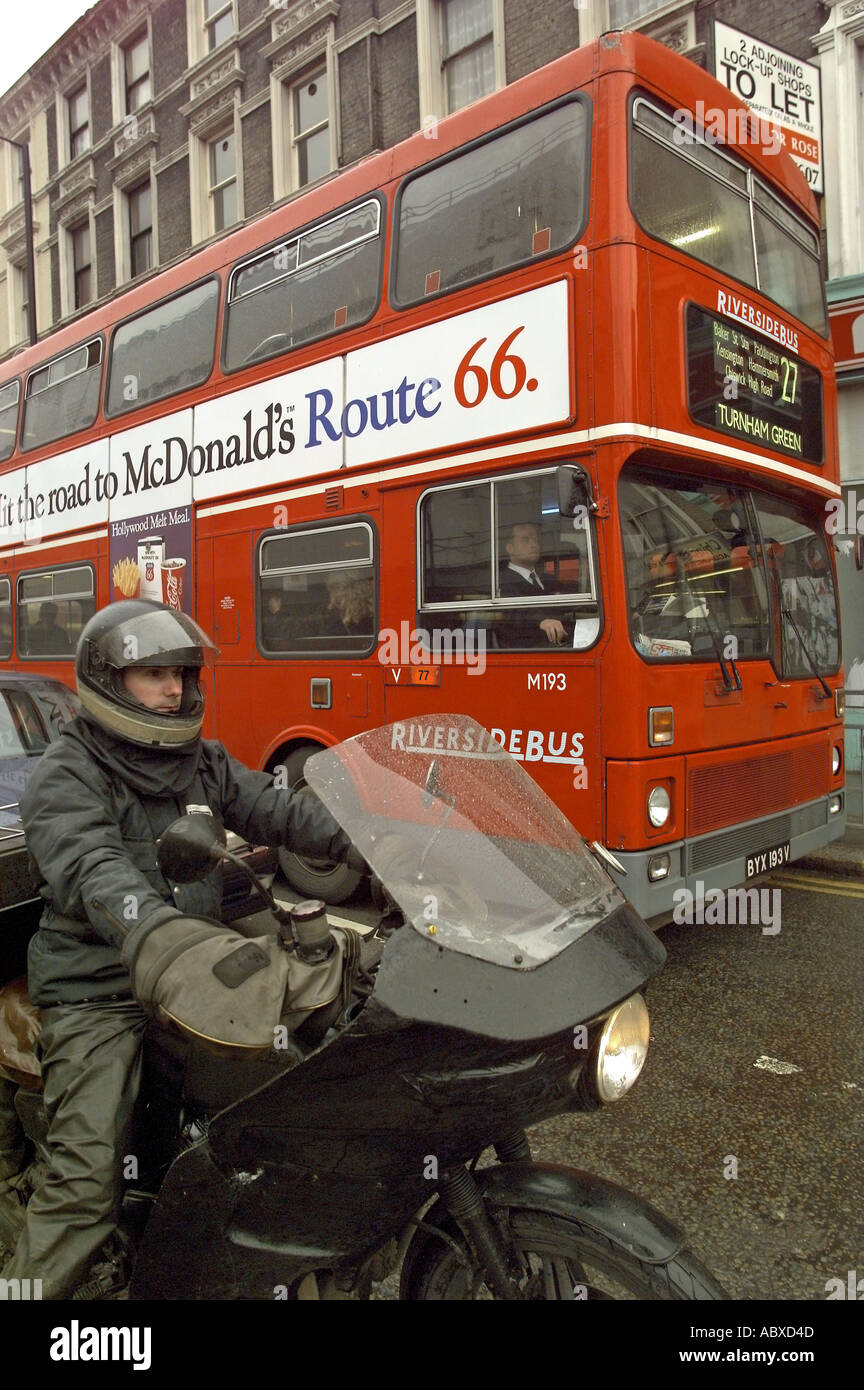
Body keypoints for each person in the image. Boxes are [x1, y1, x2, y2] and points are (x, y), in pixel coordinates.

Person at [0, 599, 361, 1300]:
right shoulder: (66, 774)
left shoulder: (199, 760)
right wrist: (151, 928)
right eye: (153, 674)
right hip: (100, 988)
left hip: (192, 966)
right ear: (108, 681)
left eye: (181, 673)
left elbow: (277, 808)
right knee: (85, 1182)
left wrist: (379, 842)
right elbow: (90, 866)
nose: (174, 688)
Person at [497, 522, 567, 647]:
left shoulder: (550, 580)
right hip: (523, 652)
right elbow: (511, 611)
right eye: (525, 540)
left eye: (535, 540)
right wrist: (540, 621)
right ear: (510, 548)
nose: (533, 545)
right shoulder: (501, 582)